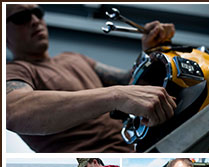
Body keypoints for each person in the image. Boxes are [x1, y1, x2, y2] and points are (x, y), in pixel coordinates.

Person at [5, 4, 177, 153]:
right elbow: (13, 110)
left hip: (137, 149)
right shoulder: (14, 71)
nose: (35, 20)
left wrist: (150, 53)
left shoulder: (72, 58)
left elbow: (129, 82)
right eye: (22, 17)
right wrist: (115, 96)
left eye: (38, 13)